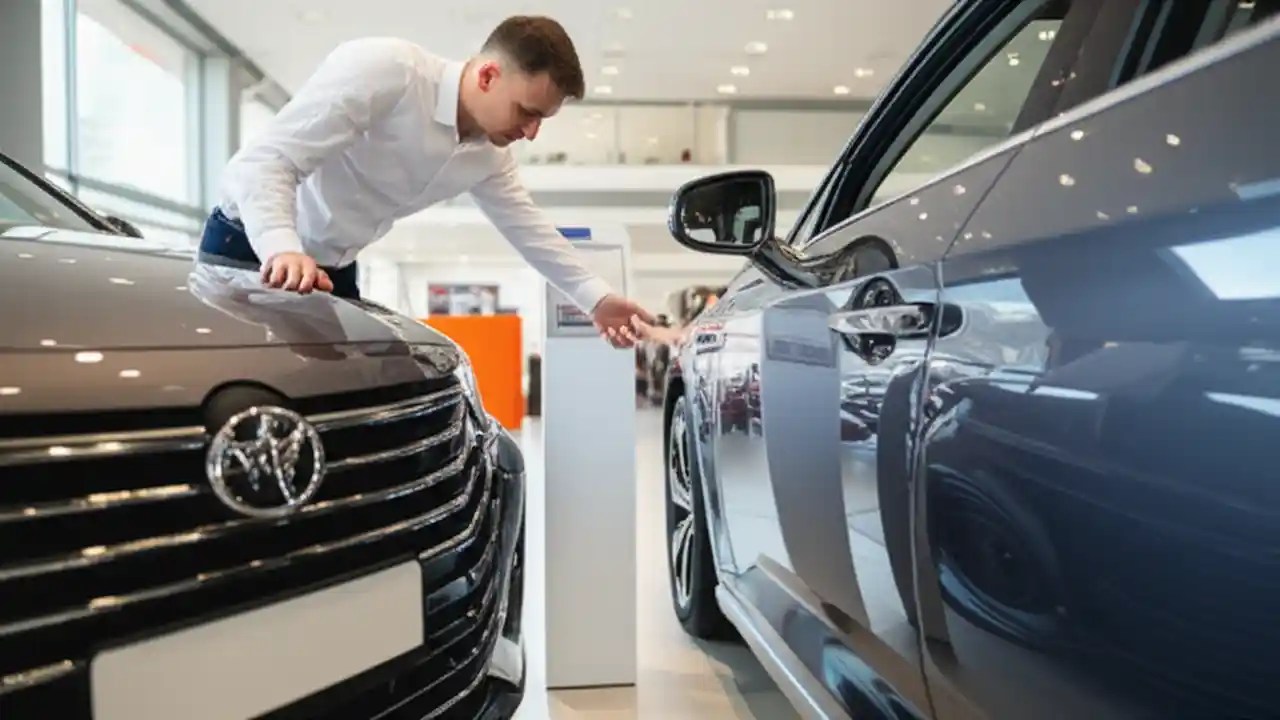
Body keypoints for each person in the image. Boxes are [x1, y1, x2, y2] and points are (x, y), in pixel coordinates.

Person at [200, 15, 653, 348]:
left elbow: (532, 234)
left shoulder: (490, 156)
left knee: (343, 415)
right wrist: (282, 247)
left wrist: (597, 299)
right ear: (488, 75)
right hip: (251, 249)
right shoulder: (389, 70)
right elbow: (263, 161)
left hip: (331, 271)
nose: (532, 132)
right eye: (527, 112)